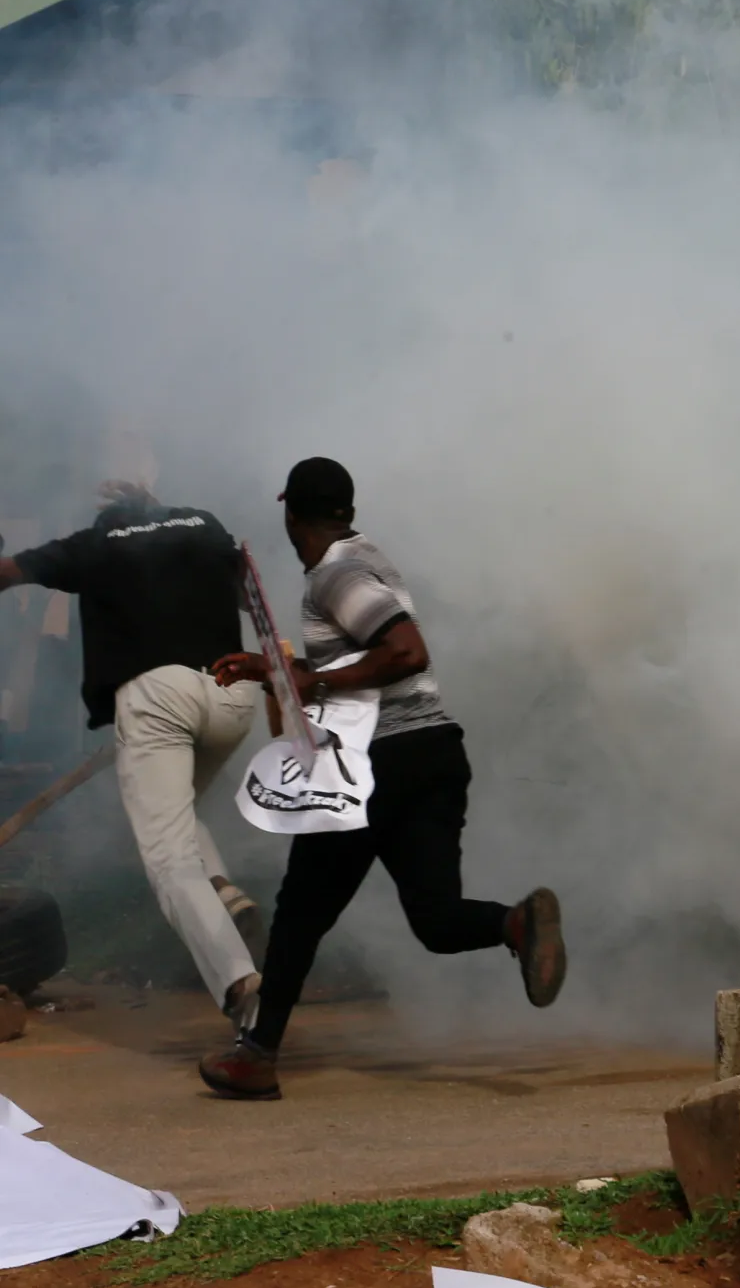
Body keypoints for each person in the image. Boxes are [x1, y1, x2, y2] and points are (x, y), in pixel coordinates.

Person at [198, 457, 567, 1099]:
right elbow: (359, 657)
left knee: (298, 914)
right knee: (436, 919)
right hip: (432, 753)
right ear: (347, 509)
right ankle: (515, 924)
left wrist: (314, 680)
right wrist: (272, 669)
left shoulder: (337, 573)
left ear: (291, 514)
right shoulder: (365, 559)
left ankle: (256, 1055)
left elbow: (404, 650)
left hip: (377, 763)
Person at [0, 483, 264, 1024]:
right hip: (234, 691)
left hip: (158, 698)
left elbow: (9, 572)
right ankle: (224, 892)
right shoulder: (203, 523)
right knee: (176, 809)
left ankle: (240, 981)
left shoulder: (95, 544)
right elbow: (245, 589)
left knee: (167, 856)